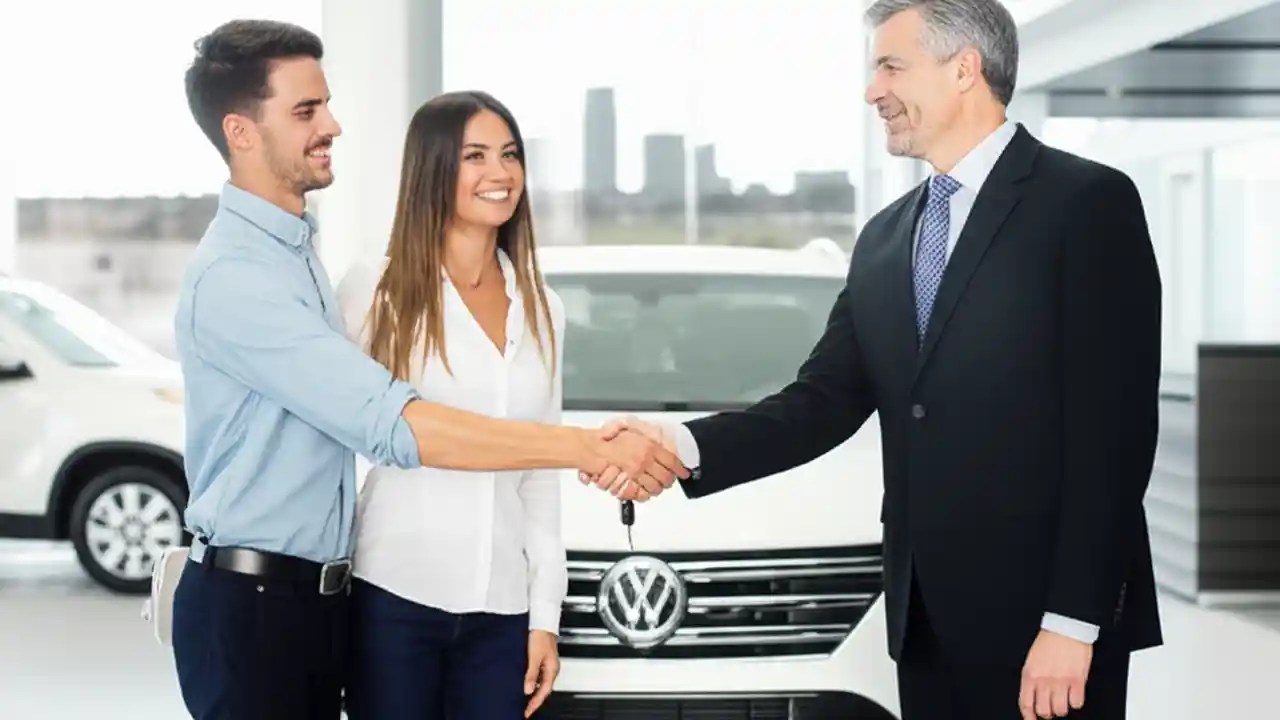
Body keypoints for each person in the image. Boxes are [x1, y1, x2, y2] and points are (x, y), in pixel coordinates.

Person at [592, 1, 1163, 718]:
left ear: (964, 69)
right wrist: (677, 442)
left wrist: (1073, 622)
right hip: (923, 619)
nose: (873, 92)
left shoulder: (1086, 204)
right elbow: (820, 402)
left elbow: (1114, 437)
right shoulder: (887, 238)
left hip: (1043, 624)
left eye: (891, 66)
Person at [173, 20, 684, 720]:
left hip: (314, 599)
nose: (334, 125)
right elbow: (394, 424)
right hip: (263, 600)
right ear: (241, 131)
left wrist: (543, 612)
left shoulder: (293, 253)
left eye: (325, 104)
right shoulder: (243, 278)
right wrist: (587, 447)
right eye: (306, 111)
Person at [334, 91, 566, 719]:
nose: (501, 173)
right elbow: (333, 428)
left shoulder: (543, 306)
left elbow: (540, 474)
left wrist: (544, 615)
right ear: (434, 168)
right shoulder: (375, 291)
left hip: (502, 611)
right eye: (476, 156)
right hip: (394, 597)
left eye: (511, 155)